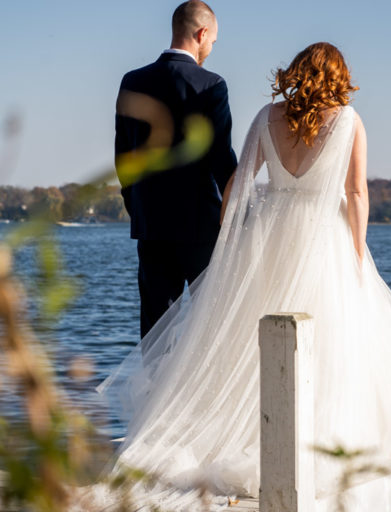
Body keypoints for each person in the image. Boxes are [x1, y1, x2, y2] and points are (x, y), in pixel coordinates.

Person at [98, 42, 391, 508]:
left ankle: (239, 427)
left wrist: (231, 244)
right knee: (334, 337)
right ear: (338, 77)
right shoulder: (349, 121)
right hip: (324, 235)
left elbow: (237, 185)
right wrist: (357, 253)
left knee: (245, 340)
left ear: (296, 72)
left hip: (269, 235)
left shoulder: (266, 118)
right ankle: (320, 435)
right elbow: (356, 193)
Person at [115, 0, 237, 339]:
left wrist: (138, 209)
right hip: (201, 227)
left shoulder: (132, 82)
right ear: (202, 33)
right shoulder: (211, 85)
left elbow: (124, 159)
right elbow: (221, 159)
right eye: (213, 41)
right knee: (211, 330)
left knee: (157, 333)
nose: (211, 48)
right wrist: (236, 213)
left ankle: (155, 379)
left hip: (151, 227)